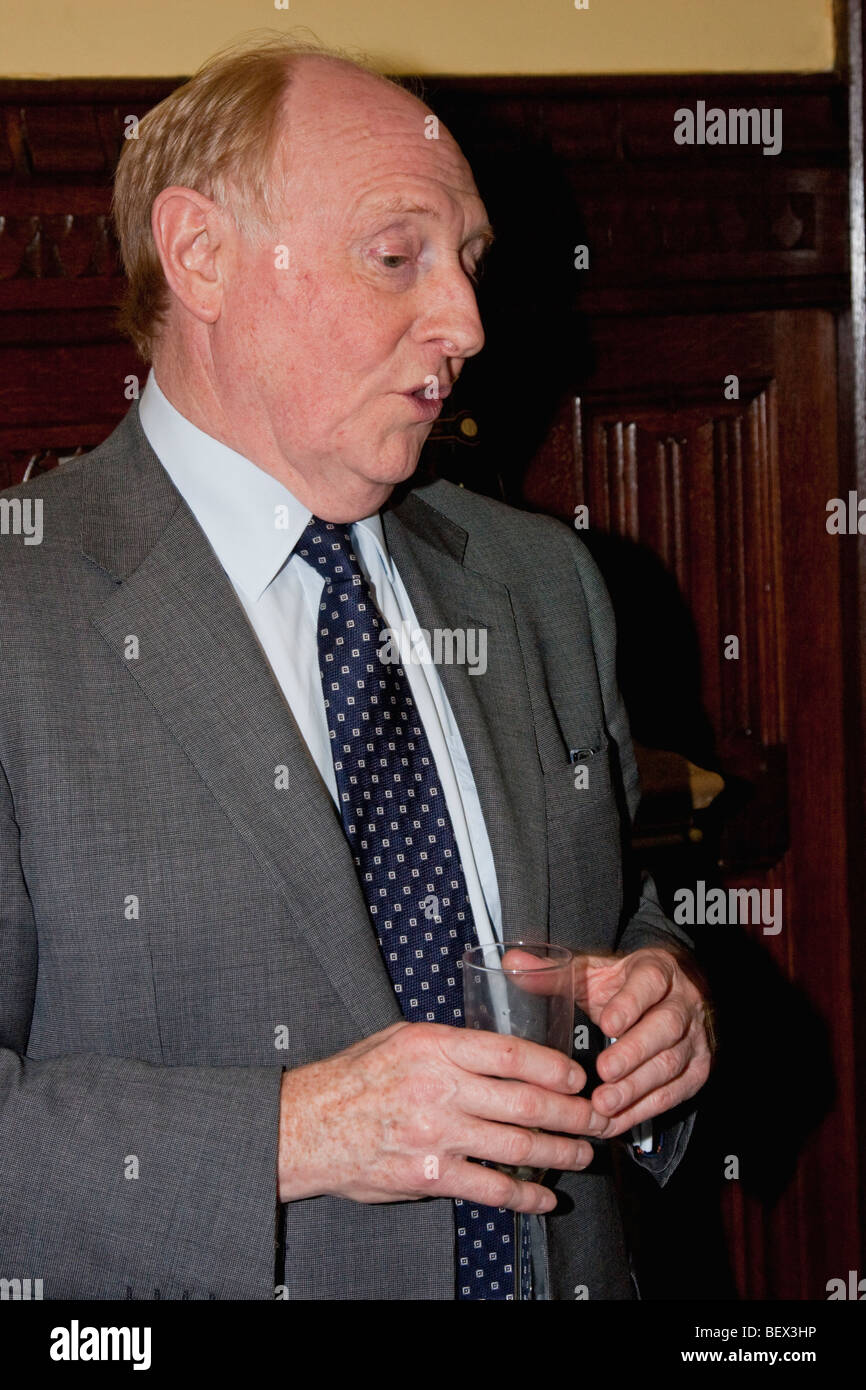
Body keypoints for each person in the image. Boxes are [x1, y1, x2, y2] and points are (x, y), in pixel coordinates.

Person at [0, 35, 712, 1300]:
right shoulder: (19, 612)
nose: (468, 323)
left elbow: (612, 926)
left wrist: (661, 999)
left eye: (469, 263)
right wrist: (291, 1132)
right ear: (201, 254)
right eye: (398, 257)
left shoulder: (542, 584)